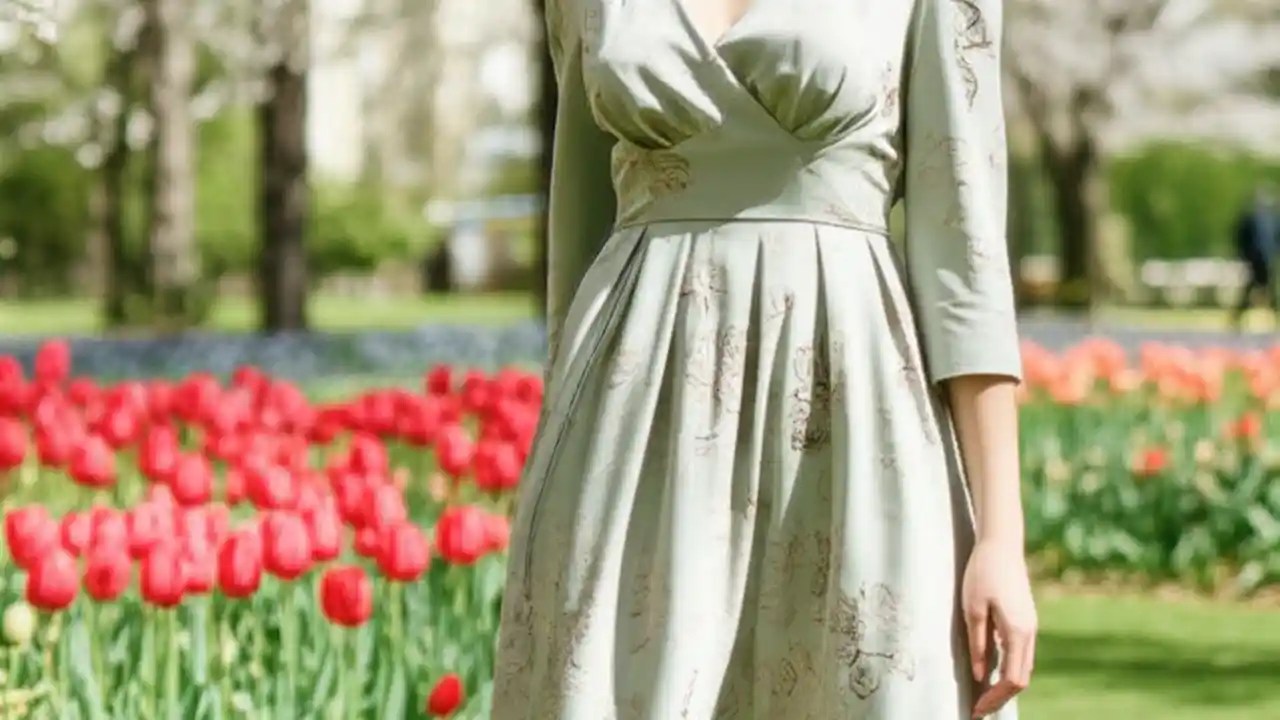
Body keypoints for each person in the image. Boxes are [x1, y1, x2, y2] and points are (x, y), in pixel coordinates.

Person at [492, 0, 1036, 718]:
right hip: (632, 424)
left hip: (851, 412)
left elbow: (965, 262)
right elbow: (577, 234)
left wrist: (1001, 538)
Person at [1232, 185, 1279, 329]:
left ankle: (1276, 317)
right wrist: (1245, 256)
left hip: (1267, 259)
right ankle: (1237, 318)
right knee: (1249, 290)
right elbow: (1241, 239)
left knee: (1270, 291)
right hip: (1254, 260)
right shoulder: (1250, 220)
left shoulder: (1274, 220)